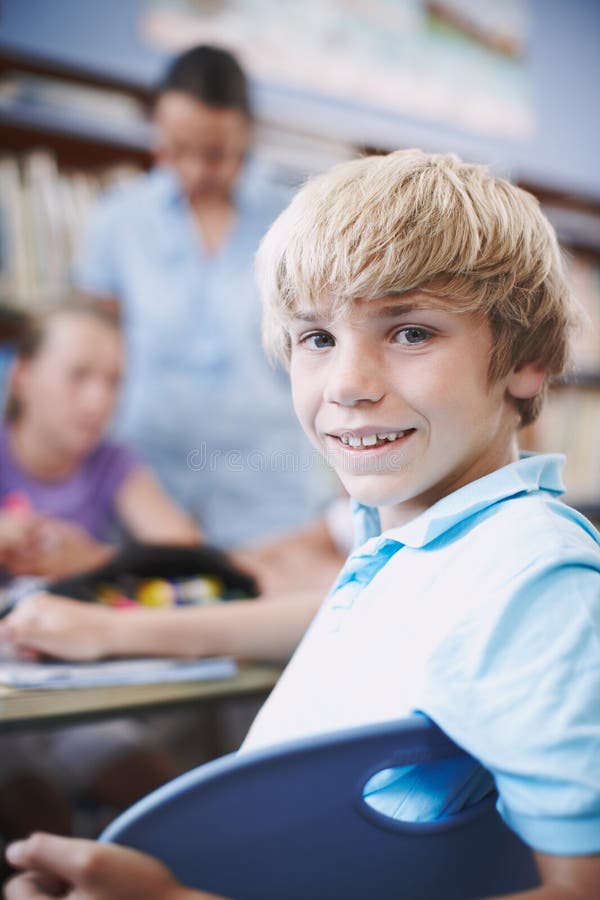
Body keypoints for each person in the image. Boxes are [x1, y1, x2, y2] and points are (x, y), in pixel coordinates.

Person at [4, 149, 600, 899]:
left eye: (410, 332)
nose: (348, 384)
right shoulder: (426, 547)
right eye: (317, 339)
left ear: (531, 362)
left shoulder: (531, 574)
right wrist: (112, 632)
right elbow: (347, 624)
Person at [74, 44, 335, 550]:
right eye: (175, 147)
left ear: (246, 137)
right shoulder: (118, 220)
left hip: (267, 486)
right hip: (145, 483)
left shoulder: (296, 222)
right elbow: (93, 348)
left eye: (215, 154)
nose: (193, 169)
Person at [0, 302, 201, 842]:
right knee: (37, 816)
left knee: (166, 796)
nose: (100, 400)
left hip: (71, 693)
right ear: (22, 376)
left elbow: (190, 560)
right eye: (79, 376)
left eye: (114, 381)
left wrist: (90, 559)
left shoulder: (112, 462)